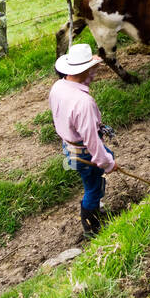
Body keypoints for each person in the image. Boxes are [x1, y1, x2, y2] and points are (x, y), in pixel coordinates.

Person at [50, 43, 115, 238]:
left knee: (92, 179)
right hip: (85, 151)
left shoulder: (58, 86)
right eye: (94, 69)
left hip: (69, 145)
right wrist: (108, 163)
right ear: (85, 70)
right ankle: (91, 225)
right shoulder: (83, 102)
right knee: (93, 187)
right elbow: (92, 141)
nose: (95, 73)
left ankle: (93, 209)